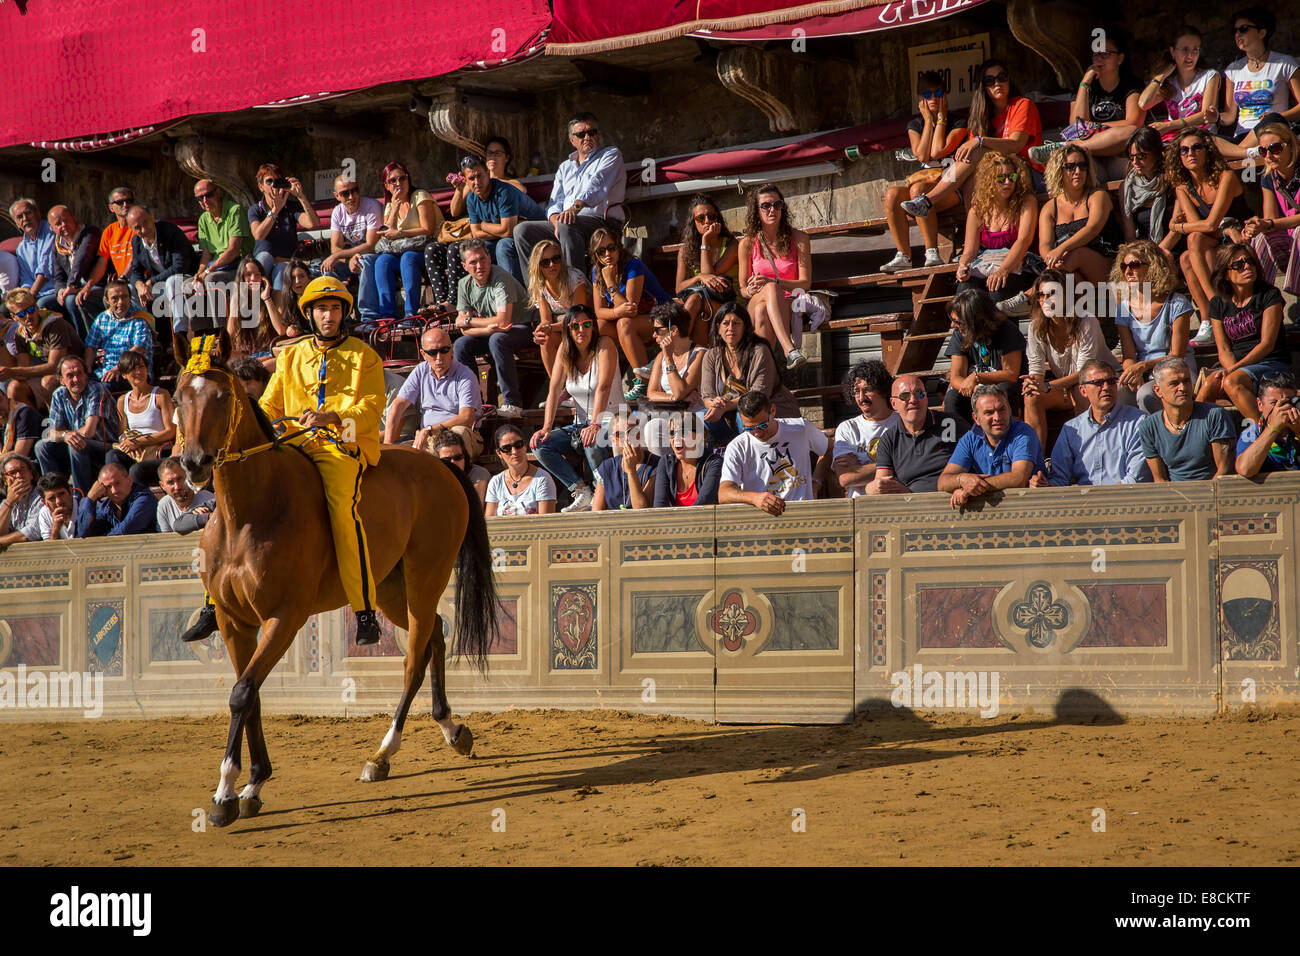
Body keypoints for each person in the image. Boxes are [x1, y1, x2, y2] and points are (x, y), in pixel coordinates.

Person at [230, 275, 387, 646]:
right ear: (310, 315)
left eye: (334, 308)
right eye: (321, 309)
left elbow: (372, 409)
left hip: (341, 446)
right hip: (293, 443)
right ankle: (213, 600)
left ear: (343, 313)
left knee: (343, 515)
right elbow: (269, 403)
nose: (328, 315)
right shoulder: (292, 355)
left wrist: (332, 416)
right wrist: (253, 423)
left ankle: (364, 611)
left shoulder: (366, 356)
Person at [902, 58, 1044, 220]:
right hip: (996, 173)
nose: (997, 83)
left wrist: (980, 140)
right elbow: (933, 154)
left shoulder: (1022, 105)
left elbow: (1016, 145)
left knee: (977, 151)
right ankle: (977, 236)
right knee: (971, 173)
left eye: (1002, 78)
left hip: (1026, 172)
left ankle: (927, 201)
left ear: (1009, 80)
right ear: (983, 86)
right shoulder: (981, 116)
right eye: (990, 80)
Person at [1021, 269, 1123, 449]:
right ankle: (1033, 461)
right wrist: (1033, 383)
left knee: (1081, 389)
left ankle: (1083, 455)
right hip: (1066, 387)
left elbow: (1084, 373)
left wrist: (1048, 386)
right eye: (1041, 295)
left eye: (1052, 293)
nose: (1046, 300)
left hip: (1103, 381)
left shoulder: (1086, 321)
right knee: (1032, 396)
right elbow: (1036, 369)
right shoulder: (1035, 326)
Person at [513, 113, 626, 272]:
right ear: (572, 140)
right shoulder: (565, 167)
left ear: (598, 135)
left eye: (591, 132)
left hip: (603, 222)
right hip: (567, 224)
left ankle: (576, 287)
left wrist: (574, 209)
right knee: (522, 230)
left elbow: (597, 185)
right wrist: (555, 222)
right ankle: (535, 292)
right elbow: (555, 202)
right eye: (581, 134)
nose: (587, 137)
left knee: (567, 223)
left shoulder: (610, 154)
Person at [1167, 128, 1252, 339]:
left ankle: (1215, 310)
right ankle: (1209, 319)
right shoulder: (1183, 187)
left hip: (1239, 236)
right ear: (1178, 157)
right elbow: (1201, 226)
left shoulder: (1226, 177)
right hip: (1215, 240)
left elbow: (1210, 224)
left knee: (1192, 242)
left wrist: (1177, 227)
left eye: (1197, 147)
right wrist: (1192, 227)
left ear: (1207, 151)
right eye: (1184, 150)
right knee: (1188, 255)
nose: (1190, 153)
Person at [531, 304, 617, 513]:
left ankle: (602, 493)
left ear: (594, 327)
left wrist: (595, 423)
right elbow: (553, 390)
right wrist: (546, 427)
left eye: (587, 324)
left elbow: (603, 386)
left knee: (591, 439)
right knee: (540, 445)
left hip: (611, 419)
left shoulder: (604, 344)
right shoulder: (564, 349)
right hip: (581, 424)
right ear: (568, 329)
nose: (581, 330)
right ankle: (580, 490)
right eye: (575, 326)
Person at [881, 71, 968, 273]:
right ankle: (903, 255)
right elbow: (921, 155)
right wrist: (928, 121)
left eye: (937, 93)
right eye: (927, 95)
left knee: (917, 190)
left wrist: (941, 119)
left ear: (945, 95)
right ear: (920, 99)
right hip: (926, 181)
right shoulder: (915, 125)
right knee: (892, 195)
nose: (933, 98)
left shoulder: (959, 123)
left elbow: (938, 150)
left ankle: (932, 252)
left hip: (952, 183)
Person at [1197, 243, 1291, 421]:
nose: (1247, 266)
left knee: (1232, 381)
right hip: (1239, 368)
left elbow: (1267, 344)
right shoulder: (1218, 303)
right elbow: (1223, 349)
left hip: (1272, 364)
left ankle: (1265, 433)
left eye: (1250, 262)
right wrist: (1233, 369)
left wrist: (1233, 370)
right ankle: (1195, 437)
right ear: (1226, 274)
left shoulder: (1269, 295)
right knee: (1209, 384)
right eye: (1238, 265)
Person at [1029, 30, 1146, 166]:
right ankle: (1069, 148)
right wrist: (1084, 84)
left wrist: (1094, 128)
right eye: (1096, 54)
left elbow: (1134, 122)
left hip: (1120, 152)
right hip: (1090, 155)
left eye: (1106, 54)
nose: (1099, 59)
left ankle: (1064, 147)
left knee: (1131, 132)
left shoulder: (1132, 85)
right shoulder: (1083, 88)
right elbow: (1076, 127)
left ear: (1120, 58)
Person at [1032, 359, 1151, 486]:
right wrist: (1044, 485)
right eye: (1098, 383)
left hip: (1125, 500)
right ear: (1083, 391)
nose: (1106, 387)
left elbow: (1136, 478)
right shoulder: (1071, 429)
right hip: (1084, 502)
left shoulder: (1138, 421)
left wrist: (1099, 498)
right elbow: (1059, 479)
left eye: (1111, 381)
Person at [699, 301, 800, 449]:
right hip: (727, 414)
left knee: (746, 416)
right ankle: (705, 467)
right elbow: (707, 395)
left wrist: (724, 406)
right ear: (718, 328)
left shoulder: (759, 350)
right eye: (725, 323)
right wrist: (714, 405)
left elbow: (758, 396)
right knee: (694, 422)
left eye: (736, 323)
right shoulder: (711, 356)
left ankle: (751, 466)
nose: (730, 328)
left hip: (767, 411)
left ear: (745, 327)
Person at [450, 238, 532, 419]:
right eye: (473, 262)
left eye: (483, 259)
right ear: (465, 266)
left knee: (498, 339)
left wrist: (470, 320)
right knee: (461, 345)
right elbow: (463, 329)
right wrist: (487, 330)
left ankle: (512, 403)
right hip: (494, 331)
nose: (480, 265)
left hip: (525, 327)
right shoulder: (464, 284)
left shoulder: (500, 277)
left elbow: (503, 321)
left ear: (489, 257)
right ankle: (473, 403)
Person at [1112, 239, 1197, 412]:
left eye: (1134, 265)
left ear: (1152, 267)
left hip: (1176, 370)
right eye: (1124, 266)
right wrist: (1132, 373)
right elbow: (1129, 355)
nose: (1128, 271)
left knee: (1146, 394)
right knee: (1118, 393)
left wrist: (1143, 366)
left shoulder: (1176, 303)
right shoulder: (1123, 309)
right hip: (1143, 373)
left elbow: (1177, 355)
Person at [1, 288, 85, 456]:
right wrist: (10, 372)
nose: (29, 316)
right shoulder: (21, 334)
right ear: (14, 317)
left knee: (48, 381)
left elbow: (55, 365)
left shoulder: (54, 324)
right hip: (48, 376)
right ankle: (35, 428)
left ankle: (57, 428)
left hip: (75, 373)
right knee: (15, 388)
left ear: (37, 306)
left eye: (31, 309)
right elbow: (24, 372)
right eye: (22, 314)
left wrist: (12, 371)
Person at [589, 227, 671, 401]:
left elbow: (630, 310)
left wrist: (611, 283)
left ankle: (642, 383)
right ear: (596, 255)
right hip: (637, 321)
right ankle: (605, 385)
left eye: (611, 248)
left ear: (619, 248)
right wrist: (617, 311)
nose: (607, 254)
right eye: (601, 251)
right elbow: (599, 312)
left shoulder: (633, 265)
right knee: (601, 327)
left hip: (663, 316)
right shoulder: (597, 271)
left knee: (624, 323)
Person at [954, 152, 1041, 315]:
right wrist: (963, 266)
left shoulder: (1026, 202)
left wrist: (1003, 270)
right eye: (1001, 178)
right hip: (987, 267)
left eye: (1012, 177)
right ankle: (973, 338)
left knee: (997, 289)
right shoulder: (977, 211)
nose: (1007, 182)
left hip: (1018, 267)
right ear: (989, 181)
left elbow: (1024, 241)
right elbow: (970, 251)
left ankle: (1004, 339)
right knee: (965, 290)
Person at [737, 183, 813, 369]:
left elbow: (805, 284)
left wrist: (775, 282)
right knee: (768, 291)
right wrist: (751, 288)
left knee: (765, 307)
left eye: (777, 205)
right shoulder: (747, 244)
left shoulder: (799, 239)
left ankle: (764, 375)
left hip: (789, 301)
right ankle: (789, 351)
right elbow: (743, 290)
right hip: (756, 299)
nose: (772, 210)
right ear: (756, 210)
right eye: (766, 206)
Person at [938, 384, 1046, 510]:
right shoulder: (969, 439)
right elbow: (943, 482)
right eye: (989, 412)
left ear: (1009, 410)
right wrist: (962, 480)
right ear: (976, 418)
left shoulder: (1024, 433)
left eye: (1002, 410)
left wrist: (972, 488)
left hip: (1028, 508)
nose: (997, 417)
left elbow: (1019, 478)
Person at [719, 391, 828, 513]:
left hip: (802, 512)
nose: (757, 433)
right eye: (749, 428)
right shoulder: (737, 446)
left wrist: (816, 481)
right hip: (763, 518)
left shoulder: (801, 427)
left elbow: (829, 448)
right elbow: (724, 493)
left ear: (773, 410)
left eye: (762, 425)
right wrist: (754, 498)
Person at [1216, 6, 1299, 160]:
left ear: (1262, 32)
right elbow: (1229, 116)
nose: (1237, 34)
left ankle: (1236, 154)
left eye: (1243, 29)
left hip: (1271, 135)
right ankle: (1245, 153)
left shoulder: (1284, 63)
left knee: (1272, 120)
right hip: (1242, 136)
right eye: (1235, 31)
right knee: (1202, 139)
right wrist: (1215, 116)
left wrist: (1279, 116)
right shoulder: (1234, 69)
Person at [386, 325, 483, 457]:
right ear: (423, 354)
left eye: (444, 350)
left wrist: (430, 430)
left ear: (452, 350)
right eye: (432, 352)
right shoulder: (421, 370)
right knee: (399, 458)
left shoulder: (466, 375)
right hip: (428, 438)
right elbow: (398, 405)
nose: (439, 357)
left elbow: (466, 418)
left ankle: (459, 476)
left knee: (458, 434)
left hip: (459, 436)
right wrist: (387, 446)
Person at [34, 354, 119, 496]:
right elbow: (51, 432)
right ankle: (54, 493)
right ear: (61, 380)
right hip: (78, 445)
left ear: (86, 375)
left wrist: (68, 436)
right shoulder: (59, 394)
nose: (76, 379)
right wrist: (65, 435)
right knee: (42, 446)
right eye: (70, 375)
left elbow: (89, 431)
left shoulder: (96, 389)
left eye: (80, 373)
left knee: (76, 444)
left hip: (104, 446)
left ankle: (81, 497)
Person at [1140, 355, 1235, 481]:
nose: (1183, 388)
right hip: (1175, 496)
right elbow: (1160, 480)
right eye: (1174, 383)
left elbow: (1224, 472)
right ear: (1158, 391)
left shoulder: (1214, 415)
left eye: (1186, 381)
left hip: (1213, 493)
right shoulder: (1149, 427)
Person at [865, 374, 961, 494]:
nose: (913, 400)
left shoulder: (951, 423)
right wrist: (871, 488)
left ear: (926, 398)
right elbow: (881, 483)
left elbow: (976, 460)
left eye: (919, 393)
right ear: (893, 404)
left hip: (954, 501)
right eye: (905, 396)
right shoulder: (889, 439)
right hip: (912, 507)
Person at [1037, 146, 1119, 285]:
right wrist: (1051, 257)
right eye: (1070, 166)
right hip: (1068, 267)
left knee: (1077, 254)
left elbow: (1092, 228)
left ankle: (1028, 295)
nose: (1078, 171)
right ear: (1058, 170)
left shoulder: (1098, 196)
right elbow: (1045, 244)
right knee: (1070, 278)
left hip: (1105, 263)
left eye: (1082, 166)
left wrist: (1061, 249)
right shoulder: (1050, 208)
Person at [942, 287, 1026, 422]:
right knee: (952, 398)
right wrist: (974, 388)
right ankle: (955, 440)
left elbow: (1011, 374)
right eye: (951, 319)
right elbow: (956, 377)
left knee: (1005, 390)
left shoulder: (1007, 330)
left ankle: (1010, 437)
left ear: (976, 320)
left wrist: (976, 377)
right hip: (976, 388)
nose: (952, 325)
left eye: (958, 321)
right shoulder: (959, 334)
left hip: (1004, 386)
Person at [124, 204, 197, 358]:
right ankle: (150, 337)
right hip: (159, 285)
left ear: (152, 218)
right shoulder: (137, 241)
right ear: (131, 228)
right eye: (137, 227)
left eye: (145, 223)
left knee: (172, 282)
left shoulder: (170, 232)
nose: (143, 230)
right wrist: (139, 285)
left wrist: (150, 282)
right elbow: (135, 270)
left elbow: (180, 266)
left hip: (187, 278)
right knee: (130, 289)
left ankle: (180, 336)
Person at [375, 161, 441, 318]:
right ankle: (388, 316)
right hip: (403, 249)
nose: (399, 184)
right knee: (382, 262)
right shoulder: (391, 204)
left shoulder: (420, 196)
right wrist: (395, 208)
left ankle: (411, 314)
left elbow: (428, 229)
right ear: (386, 185)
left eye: (402, 178)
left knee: (408, 258)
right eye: (393, 181)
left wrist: (399, 233)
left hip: (427, 249)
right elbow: (385, 233)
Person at [1242, 122, 1300, 299]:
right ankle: (1261, 299)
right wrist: (1256, 226)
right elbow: (1270, 219)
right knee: (1260, 236)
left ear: (1290, 146)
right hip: (1290, 239)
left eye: (1275, 149)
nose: (1268, 156)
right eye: (1263, 151)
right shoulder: (1269, 177)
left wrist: (1268, 223)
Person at [1137, 26, 1221, 144]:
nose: (1190, 56)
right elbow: (1143, 104)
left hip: (1202, 139)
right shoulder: (1170, 83)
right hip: (1175, 141)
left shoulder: (1209, 76)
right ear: (1172, 51)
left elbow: (1206, 116)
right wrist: (1160, 76)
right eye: (1185, 50)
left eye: (1195, 49)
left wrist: (1169, 125)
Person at [644, 300, 707, 457]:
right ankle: (663, 473)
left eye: (658, 330)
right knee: (650, 427)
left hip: (693, 419)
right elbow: (651, 393)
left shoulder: (700, 354)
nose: (654, 335)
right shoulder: (660, 357)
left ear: (673, 330)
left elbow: (680, 391)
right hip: (669, 415)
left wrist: (668, 357)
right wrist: (673, 398)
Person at [192, 180, 254, 336]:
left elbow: (233, 250)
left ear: (218, 192)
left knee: (213, 280)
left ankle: (223, 333)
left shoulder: (234, 210)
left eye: (208, 195)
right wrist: (199, 273)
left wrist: (208, 270)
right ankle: (202, 334)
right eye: (200, 198)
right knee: (187, 284)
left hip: (240, 265)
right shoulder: (203, 219)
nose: (205, 201)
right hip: (216, 266)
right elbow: (207, 253)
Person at [106, 350, 176, 488]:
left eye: (141, 367)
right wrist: (129, 443)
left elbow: (171, 431)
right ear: (124, 375)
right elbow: (122, 435)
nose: (139, 371)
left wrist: (139, 441)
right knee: (112, 455)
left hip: (156, 451)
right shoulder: (122, 401)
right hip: (135, 452)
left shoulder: (161, 395)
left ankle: (139, 501)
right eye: (133, 368)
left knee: (136, 470)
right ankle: (116, 494)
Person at [674, 193, 740, 335]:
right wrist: (698, 278)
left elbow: (711, 277)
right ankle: (696, 354)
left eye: (711, 216)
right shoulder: (686, 250)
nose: (707, 221)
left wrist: (705, 242)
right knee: (700, 315)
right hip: (705, 305)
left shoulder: (731, 245)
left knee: (696, 301)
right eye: (700, 218)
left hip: (731, 305)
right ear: (694, 222)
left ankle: (679, 343)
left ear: (718, 218)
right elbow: (679, 288)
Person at [832, 359, 899, 497]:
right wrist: (895, 463)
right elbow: (845, 478)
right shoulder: (847, 428)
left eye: (867, 390)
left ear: (882, 389)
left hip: (896, 503)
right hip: (860, 508)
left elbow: (914, 465)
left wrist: (859, 468)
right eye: (856, 391)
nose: (861, 398)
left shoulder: (902, 422)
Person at [247, 163, 320, 290]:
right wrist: (275, 210)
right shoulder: (255, 210)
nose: (273, 185)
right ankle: (252, 304)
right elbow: (259, 234)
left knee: (281, 270)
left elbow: (313, 223)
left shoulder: (290, 207)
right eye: (269, 181)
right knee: (264, 258)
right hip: (263, 261)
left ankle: (278, 309)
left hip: (286, 260)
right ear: (261, 186)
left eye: (277, 181)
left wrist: (301, 196)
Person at [463, 153, 534, 282]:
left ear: (488, 173)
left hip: (532, 235)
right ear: (466, 181)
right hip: (505, 237)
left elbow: (508, 231)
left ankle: (513, 295)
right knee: (471, 250)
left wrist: (484, 225)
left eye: (480, 176)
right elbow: (476, 233)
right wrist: (500, 230)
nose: (477, 182)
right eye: (472, 178)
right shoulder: (471, 198)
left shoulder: (503, 192)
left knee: (503, 246)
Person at [322, 176, 382, 323]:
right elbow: (335, 248)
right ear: (337, 196)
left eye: (354, 191)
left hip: (374, 255)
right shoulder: (337, 212)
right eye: (345, 193)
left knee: (364, 261)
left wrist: (348, 256)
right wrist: (349, 259)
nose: (351, 196)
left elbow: (371, 244)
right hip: (352, 258)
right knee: (324, 268)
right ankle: (342, 319)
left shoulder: (371, 206)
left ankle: (368, 318)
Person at [528, 239, 590, 376]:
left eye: (556, 259)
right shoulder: (539, 285)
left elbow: (578, 319)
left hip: (584, 325)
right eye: (545, 262)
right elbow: (546, 319)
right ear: (537, 266)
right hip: (563, 326)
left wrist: (550, 327)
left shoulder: (575, 278)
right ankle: (559, 391)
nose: (552, 265)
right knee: (544, 340)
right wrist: (542, 329)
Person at [84, 278, 154, 388]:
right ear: (107, 300)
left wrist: (118, 368)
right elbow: (91, 346)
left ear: (130, 297)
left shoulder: (140, 319)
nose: (121, 302)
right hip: (106, 371)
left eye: (124, 297)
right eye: (115, 299)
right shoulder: (102, 319)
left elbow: (139, 349)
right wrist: (87, 368)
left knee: (104, 387)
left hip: (132, 371)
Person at [1117, 127, 1178, 250]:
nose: (1135, 162)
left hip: (1172, 249)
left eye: (1141, 156)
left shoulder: (1175, 181)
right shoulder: (1128, 187)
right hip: (1143, 250)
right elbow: (1130, 236)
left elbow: (1176, 231)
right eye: (1131, 157)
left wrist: (1157, 255)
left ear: (1156, 153)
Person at [46, 205, 102, 336]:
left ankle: (85, 343)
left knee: (73, 300)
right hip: (72, 288)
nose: (64, 225)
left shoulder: (89, 233)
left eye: (67, 220)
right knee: (44, 303)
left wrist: (71, 285)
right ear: (52, 228)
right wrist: (60, 290)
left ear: (74, 218)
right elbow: (58, 276)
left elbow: (82, 259)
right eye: (58, 224)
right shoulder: (57, 246)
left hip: (94, 284)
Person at [79, 186, 137, 307]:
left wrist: (122, 279)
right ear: (111, 208)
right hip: (121, 282)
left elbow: (136, 257)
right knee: (85, 298)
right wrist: (88, 286)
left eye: (129, 201)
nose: (125, 204)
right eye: (120, 202)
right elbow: (102, 262)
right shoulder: (109, 231)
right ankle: (99, 326)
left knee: (113, 298)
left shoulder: (138, 227)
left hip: (136, 279)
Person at [1235, 370, 1300, 477]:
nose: (1281, 408)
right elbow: (1245, 469)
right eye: (1274, 403)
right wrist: (1273, 428)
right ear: (1260, 404)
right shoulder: (1251, 434)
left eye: (1287, 402)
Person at [592, 410, 659, 511]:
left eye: (631, 431)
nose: (627, 438)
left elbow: (642, 509)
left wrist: (631, 471)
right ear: (613, 440)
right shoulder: (607, 467)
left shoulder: (656, 464)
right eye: (620, 434)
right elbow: (596, 513)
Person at [485, 423, 556, 516]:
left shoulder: (542, 479)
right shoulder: (495, 482)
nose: (514, 451)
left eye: (518, 445)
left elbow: (546, 524)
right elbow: (490, 523)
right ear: (499, 453)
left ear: (525, 446)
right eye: (506, 448)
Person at [653, 412, 722, 507]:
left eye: (683, 433)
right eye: (672, 433)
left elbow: (704, 504)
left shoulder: (714, 463)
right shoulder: (666, 463)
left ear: (699, 436)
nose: (676, 438)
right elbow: (659, 506)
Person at [224, 256, 282, 370]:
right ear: (241, 278)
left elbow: (281, 330)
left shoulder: (276, 295)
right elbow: (230, 337)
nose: (253, 279)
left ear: (263, 277)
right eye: (248, 275)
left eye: (258, 274)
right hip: (247, 357)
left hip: (271, 355)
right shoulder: (237, 298)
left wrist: (266, 299)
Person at [74, 461, 157, 537]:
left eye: (118, 483)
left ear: (129, 480)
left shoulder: (144, 499)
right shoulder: (107, 506)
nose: (114, 490)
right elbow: (83, 533)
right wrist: (90, 498)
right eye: (108, 486)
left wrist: (101, 539)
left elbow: (126, 530)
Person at [485, 135, 545, 221]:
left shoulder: (511, 182)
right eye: (489, 153)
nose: (492, 157)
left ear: (507, 158)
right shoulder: (477, 181)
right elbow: (457, 210)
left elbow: (522, 190)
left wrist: (494, 180)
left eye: (497, 153)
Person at [11, 199, 56, 309]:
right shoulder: (21, 248)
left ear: (38, 213)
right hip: (36, 294)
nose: (25, 219)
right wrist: (24, 299)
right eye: (20, 217)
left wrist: (30, 298)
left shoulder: (51, 231)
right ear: (17, 224)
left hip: (55, 290)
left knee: (41, 305)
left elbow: (45, 270)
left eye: (28, 213)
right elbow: (26, 280)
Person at [155, 456, 215, 534]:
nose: (177, 487)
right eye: (170, 482)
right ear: (162, 486)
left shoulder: (208, 500)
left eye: (180, 479)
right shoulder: (164, 505)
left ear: (189, 477)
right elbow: (167, 540)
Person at [433, 429, 490, 506]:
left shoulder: (479, 474)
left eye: (458, 457)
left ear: (465, 457)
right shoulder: (432, 478)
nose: (453, 462)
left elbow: (476, 509)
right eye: (446, 459)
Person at [0, 452, 43, 547]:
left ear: (31, 474)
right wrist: (9, 502)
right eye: (12, 473)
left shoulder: (41, 497)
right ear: (5, 480)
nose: (19, 475)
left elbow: (32, 533)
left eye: (22, 470)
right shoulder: (5, 504)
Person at [35, 472, 78, 540]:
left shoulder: (86, 507)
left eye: (61, 494)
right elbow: (49, 548)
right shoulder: (44, 513)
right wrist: (56, 528)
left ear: (71, 492)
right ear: (45, 502)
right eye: (51, 498)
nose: (58, 501)